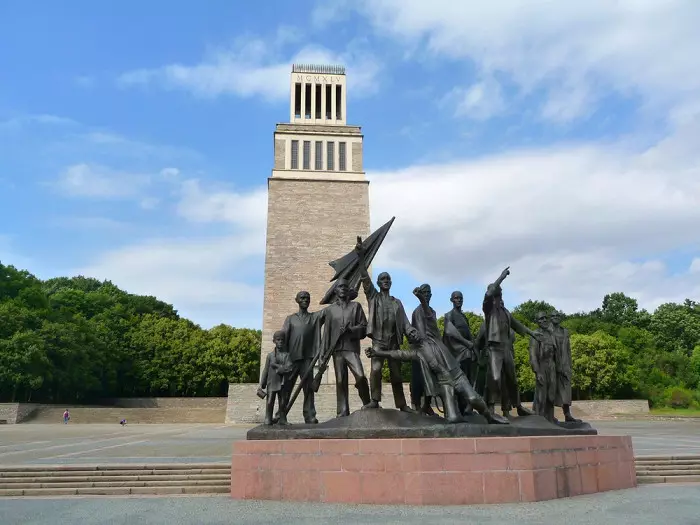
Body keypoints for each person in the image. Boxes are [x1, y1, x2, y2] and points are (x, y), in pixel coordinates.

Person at [367, 284, 507, 424]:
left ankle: (490, 416)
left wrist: (422, 300)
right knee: (452, 417)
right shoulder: (417, 352)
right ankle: (455, 420)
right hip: (444, 381)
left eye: (413, 332)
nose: (413, 334)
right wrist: (377, 352)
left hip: (456, 374)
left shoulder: (433, 335)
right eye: (411, 335)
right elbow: (396, 354)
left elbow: (428, 316)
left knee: (473, 398)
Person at [355, 239, 414, 413]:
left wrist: (411, 331)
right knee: (376, 370)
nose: (386, 281)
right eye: (382, 279)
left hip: (394, 341)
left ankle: (402, 404)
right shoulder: (374, 297)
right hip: (379, 341)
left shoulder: (397, 303)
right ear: (379, 283)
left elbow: (405, 323)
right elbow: (365, 278)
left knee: (396, 374)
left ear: (391, 282)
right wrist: (361, 257)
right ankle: (374, 400)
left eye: (388, 279)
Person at [482, 267, 540, 417]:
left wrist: (532, 333)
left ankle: (513, 408)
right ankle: (490, 408)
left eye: (500, 294)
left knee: (511, 380)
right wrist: (501, 277)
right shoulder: (489, 310)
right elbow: (488, 293)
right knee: (495, 378)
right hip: (494, 349)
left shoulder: (505, 312)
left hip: (506, 348)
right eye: (497, 293)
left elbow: (518, 325)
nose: (499, 296)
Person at [317, 278, 371, 417]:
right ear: (335, 290)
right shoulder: (330, 310)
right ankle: (342, 412)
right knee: (340, 381)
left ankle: (368, 403)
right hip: (336, 351)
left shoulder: (355, 307)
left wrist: (351, 330)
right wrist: (322, 356)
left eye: (345, 287)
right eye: (340, 287)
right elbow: (327, 334)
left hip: (351, 348)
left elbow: (364, 327)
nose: (343, 289)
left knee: (360, 376)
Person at [280, 291, 325, 424]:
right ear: (297, 300)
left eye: (307, 298)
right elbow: (283, 337)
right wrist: (282, 358)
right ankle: (281, 414)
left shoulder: (314, 317)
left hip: (307, 360)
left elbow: (328, 310)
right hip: (292, 359)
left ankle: (309, 415)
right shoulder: (290, 319)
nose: (305, 300)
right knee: (286, 388)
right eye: (302, 298)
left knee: (308, 389)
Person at [550, 311, 580, 422]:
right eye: (553, 316)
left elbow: (568, 350)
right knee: (552, 390)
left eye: (557, 316)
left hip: (564, 363)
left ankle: (567, 415)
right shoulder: (547, 332)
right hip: (552, 364)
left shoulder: (565, 332)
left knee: (566, 390)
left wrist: (569, 365)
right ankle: (550, 415)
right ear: (550, 318)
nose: (555, 317)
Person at [258, 330, 294, 425]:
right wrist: (262, 383)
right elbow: (265, 370)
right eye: (278, 340)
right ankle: (268, 419)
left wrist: (277, 367)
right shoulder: (270, 356)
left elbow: (289, 368)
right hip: (272, 382)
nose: (280, 341)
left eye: (282, 340)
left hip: (283, 383)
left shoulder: (287, 355)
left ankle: (282, 419)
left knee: (282, 403)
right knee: (270, 402)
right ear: (274, 341)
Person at [529, 312, 558, 422]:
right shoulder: (535, 334)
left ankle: (550, 418)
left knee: (551, 394)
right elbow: (533, 355)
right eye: (541, 318)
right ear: (537, 322)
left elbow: (556, 353)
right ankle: (540, 418)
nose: (544, 320)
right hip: (541, 366)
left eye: (546, 318)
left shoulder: (551, 334)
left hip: (552, 366)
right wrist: (537, 372)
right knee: (542, 395)